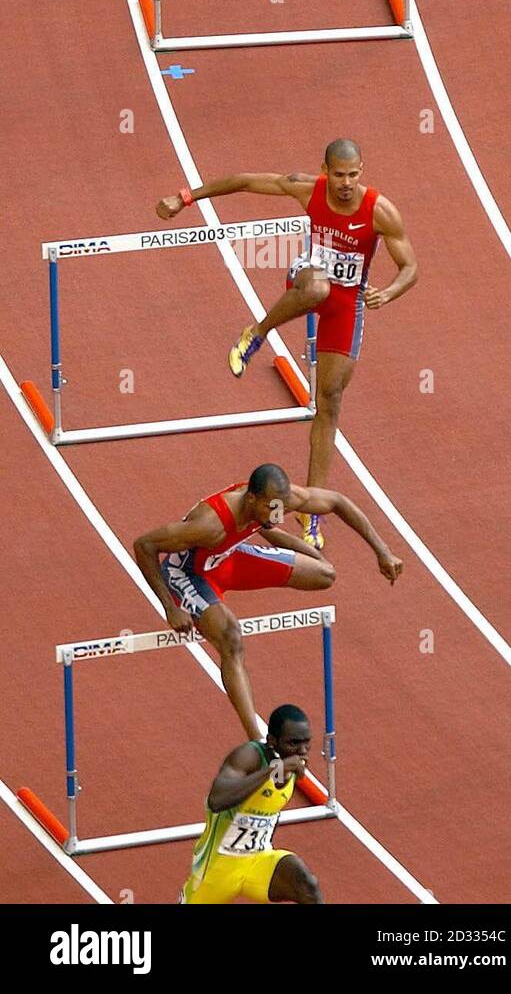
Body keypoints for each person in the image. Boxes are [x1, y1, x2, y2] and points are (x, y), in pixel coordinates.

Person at [156, 138, 417, 548]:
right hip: (309, 279)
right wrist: (184, 198)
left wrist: (390, 292)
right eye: (338, 174)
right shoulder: (306, 188)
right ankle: (256, 333)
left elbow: (411, 266)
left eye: (353, 175)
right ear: (325, 170)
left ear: (361, 170)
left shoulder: (379, 211)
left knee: (328, 401)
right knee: (316, 286)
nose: (346, 183)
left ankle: (312, 519)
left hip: (348, 305)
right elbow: (243, 181)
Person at [134, 463, 402, 741]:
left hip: (227, 557)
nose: (279, 516)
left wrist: (382, 552)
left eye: (282, 509)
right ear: (251, 499)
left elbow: (337, 501)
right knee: (231, 638)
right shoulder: (209, 524)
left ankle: (223, 596)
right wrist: (170, 608)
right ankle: (257, 742)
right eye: (272, 509)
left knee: (324, 574)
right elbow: (144, 545)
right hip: (189, 573)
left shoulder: (276, 501)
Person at [177, 704, 323, 904]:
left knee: (306, 885)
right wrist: (273, 770)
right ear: (273, 741)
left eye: (307, 743)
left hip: (257, 860)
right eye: (294, 743)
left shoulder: (292, 766)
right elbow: (217, 800)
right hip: (217, 868)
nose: (302, 751)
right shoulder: (250, 757)